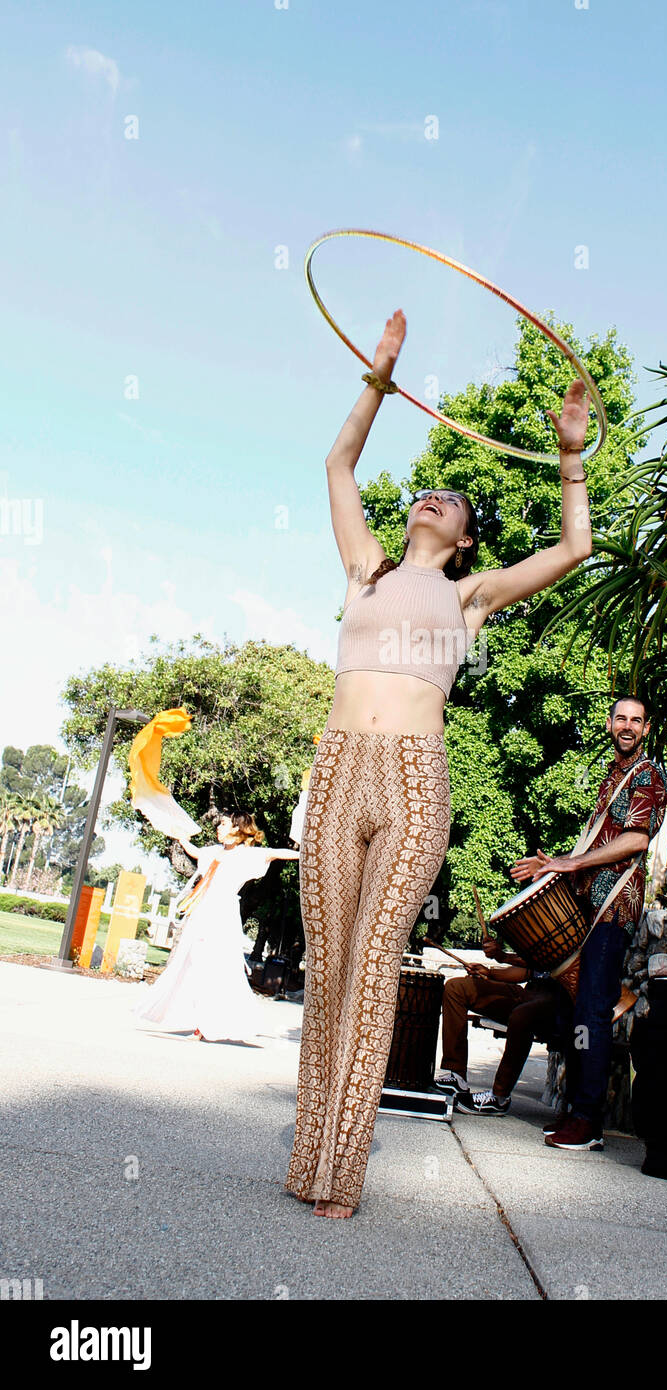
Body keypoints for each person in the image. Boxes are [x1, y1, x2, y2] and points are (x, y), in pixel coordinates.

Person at [284, 307, 594, 1217]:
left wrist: (570, 453)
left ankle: (342, 1176)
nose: (432, 500)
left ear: (463, 540)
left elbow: (576, 549)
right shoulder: (367, 569)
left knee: (378, 962)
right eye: (428, 492)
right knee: (329, 964)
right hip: (340, 770)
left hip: (416, 780)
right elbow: (338, 465)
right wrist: (378, 375)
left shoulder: (469, 598)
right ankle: (309, 1161)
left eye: (451, 504)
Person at [510, 696, 667, 1151]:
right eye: (621, 718)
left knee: (593, 1011)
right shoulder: (613, 776)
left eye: (636, 720)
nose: (628, 726)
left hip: (613, 909)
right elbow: (598, 842)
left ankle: (588, 1122)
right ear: (609, 723)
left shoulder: (648, 777)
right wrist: (554, 865)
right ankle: (576, 1114)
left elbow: (636, 840)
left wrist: (567, 863)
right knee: (573, 1010)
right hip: (587, 906)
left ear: (646, 728)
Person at [132, 811, 298, 1042]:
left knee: (215, 966)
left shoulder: (246, 855)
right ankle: (197, 1021)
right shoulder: (214, 853)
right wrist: (181, 838)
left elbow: (275, 853)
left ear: (237, 828)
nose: (218, 828)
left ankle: (206, 1024)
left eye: (223, 824)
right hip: (203, 913)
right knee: (192, 964)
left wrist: (306, 852)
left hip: (222, 915)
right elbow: (196, 851)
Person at [435, 939, 580, 1113]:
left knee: (522, 1014)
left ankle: (499, 1097)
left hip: (560, 1002)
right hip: (530, 993)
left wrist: (502, 956)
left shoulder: (580, 933)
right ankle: (456, 1076)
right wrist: (490, 973)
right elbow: (527, 971)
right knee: (455, 988)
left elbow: (547, 962)